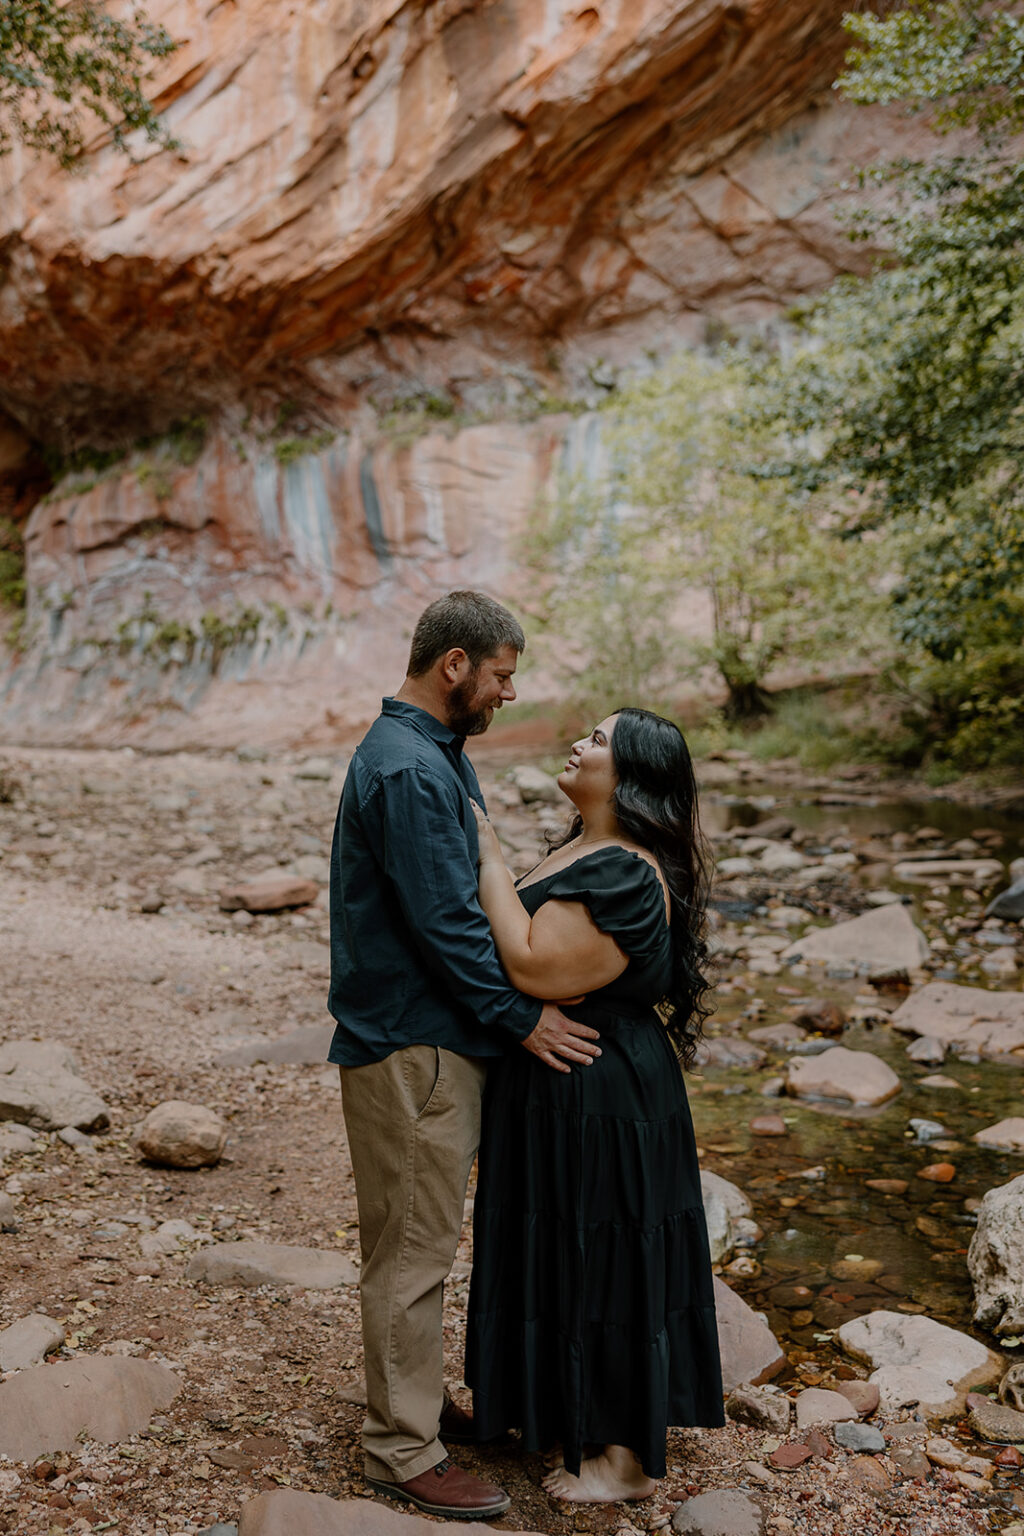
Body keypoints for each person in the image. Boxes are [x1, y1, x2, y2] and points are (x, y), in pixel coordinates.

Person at [327, 590, 601, 1520]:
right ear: (455, 665)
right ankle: (401, 1449)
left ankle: (408, 1404)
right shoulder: (408, 767)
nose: (508, 693)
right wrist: (519, 1017)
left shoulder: (428, 755)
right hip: (417, 1045)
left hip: (427, 1038)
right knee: (412, 1249)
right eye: (502, 674)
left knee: (412, 1237)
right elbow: (445, 923)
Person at [465, 707, 725, 1501]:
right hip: (561, 1081)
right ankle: (555, 1413)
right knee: (555, 1245)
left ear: (635, 776)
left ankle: (626, 1462)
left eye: (600, 741)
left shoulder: (626, 867)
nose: (579, 744)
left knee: (606, 1257)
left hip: (602, 1090)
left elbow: (540, 968)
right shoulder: (584, 847)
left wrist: (487, 855)